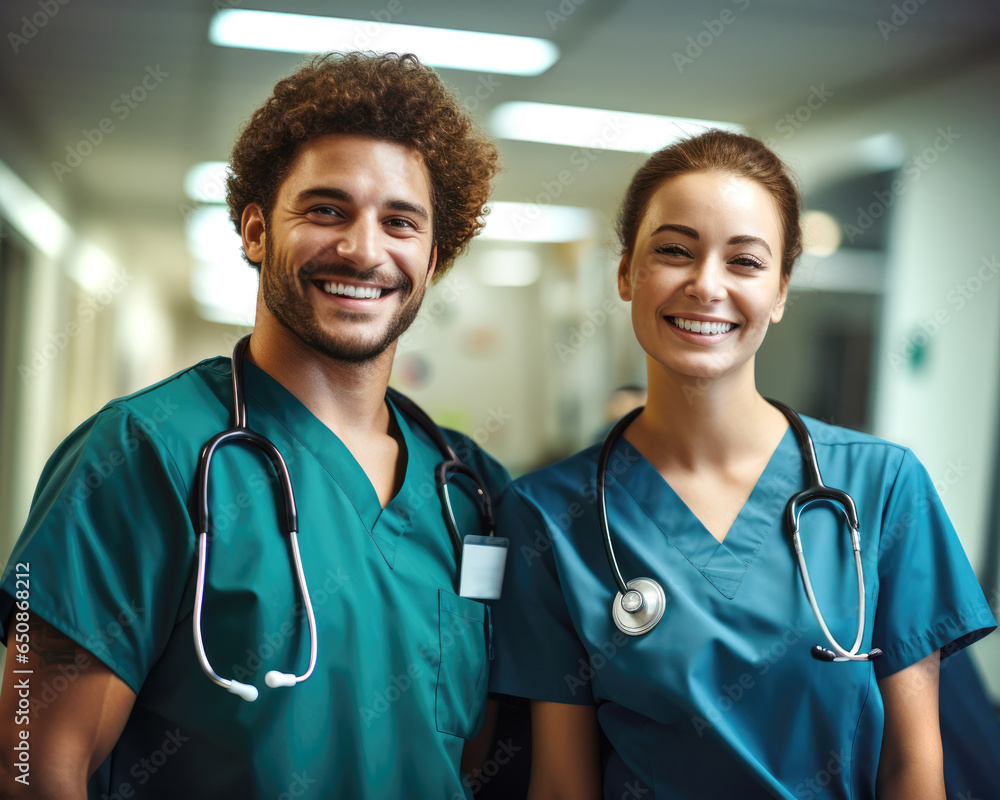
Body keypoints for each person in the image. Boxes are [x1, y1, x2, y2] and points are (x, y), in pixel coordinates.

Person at [0, 51, 507, 799]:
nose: (364, 249)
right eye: (327, 210)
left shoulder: (473, 493)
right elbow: (32, 763)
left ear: (433, 259)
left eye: (399, 221)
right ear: (256, 230)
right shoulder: (145, 453)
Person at [487, 130, 996, 799]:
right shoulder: (549, 513)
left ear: (781, 291)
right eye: (673, 251)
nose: (706, 285)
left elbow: (914, 772)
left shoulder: (882, 488)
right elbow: (560, 784)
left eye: (746, 262)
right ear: (625, 273)